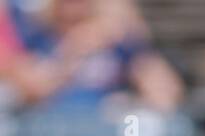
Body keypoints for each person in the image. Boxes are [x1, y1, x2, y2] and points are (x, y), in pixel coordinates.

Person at [5, 0, 182, 109]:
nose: (74, 6)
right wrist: (74, 50)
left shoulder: (117, 41)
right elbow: (32, 89)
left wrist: (132, 105)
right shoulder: (36, 37)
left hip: (108, 130)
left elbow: (164, 91)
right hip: (54, 131)